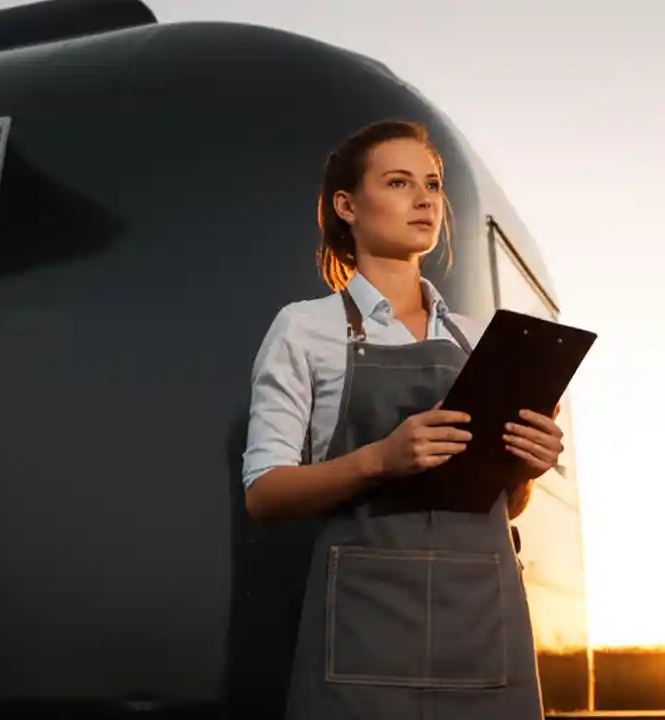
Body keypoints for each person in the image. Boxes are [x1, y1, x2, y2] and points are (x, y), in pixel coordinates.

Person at [241, 119, 564, 719]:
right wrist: (381, 459)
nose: (424, 199)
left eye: (434, 185)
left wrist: (528, 465)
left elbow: (506, 505)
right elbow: (265, 494)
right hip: (363, 632)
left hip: (484, 629)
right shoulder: (305, 327)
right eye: (397, 182)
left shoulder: (479, 338)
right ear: (347, 206)